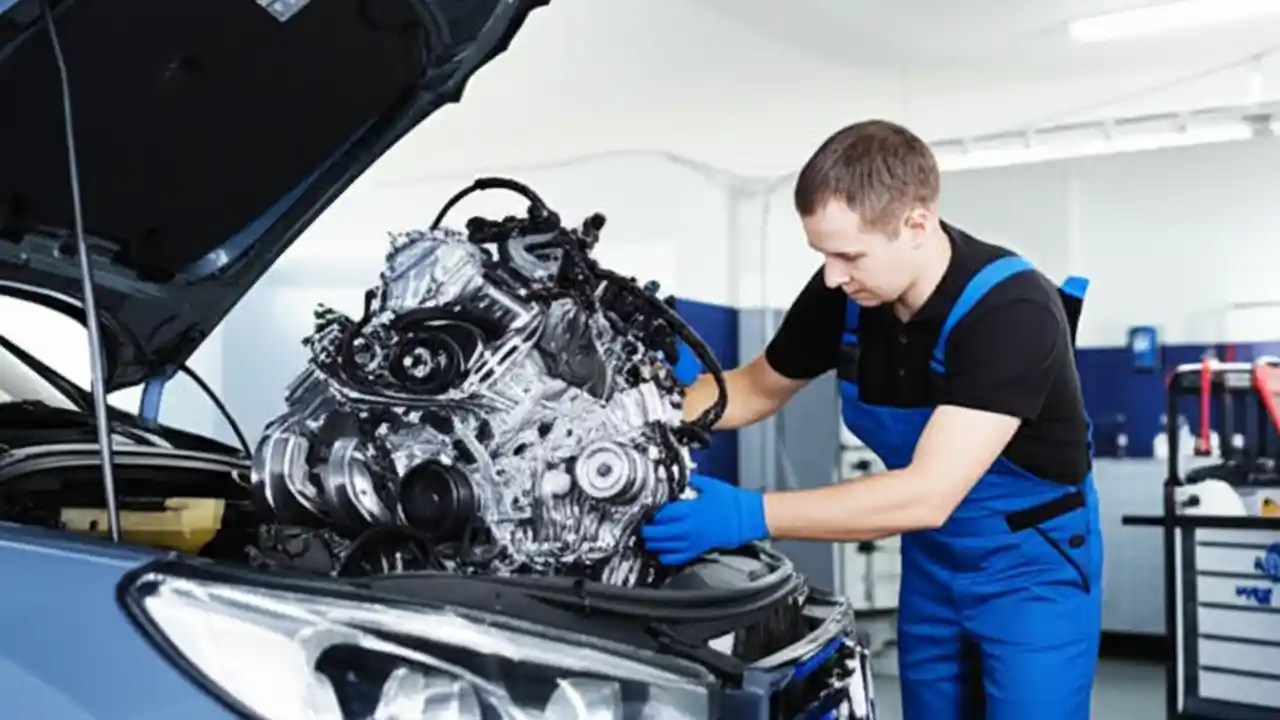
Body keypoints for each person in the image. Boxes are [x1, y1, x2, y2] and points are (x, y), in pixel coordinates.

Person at [642, 119, 1101, 720]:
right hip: (933, 562)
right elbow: (754, 389)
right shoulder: (846, 294)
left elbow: (928, 493)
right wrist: (644, 409)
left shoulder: (1011, 310)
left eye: (849, 255)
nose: (833, 275)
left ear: (916, 225)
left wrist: (748, 514)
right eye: (823, 255)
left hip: (1031, 569)